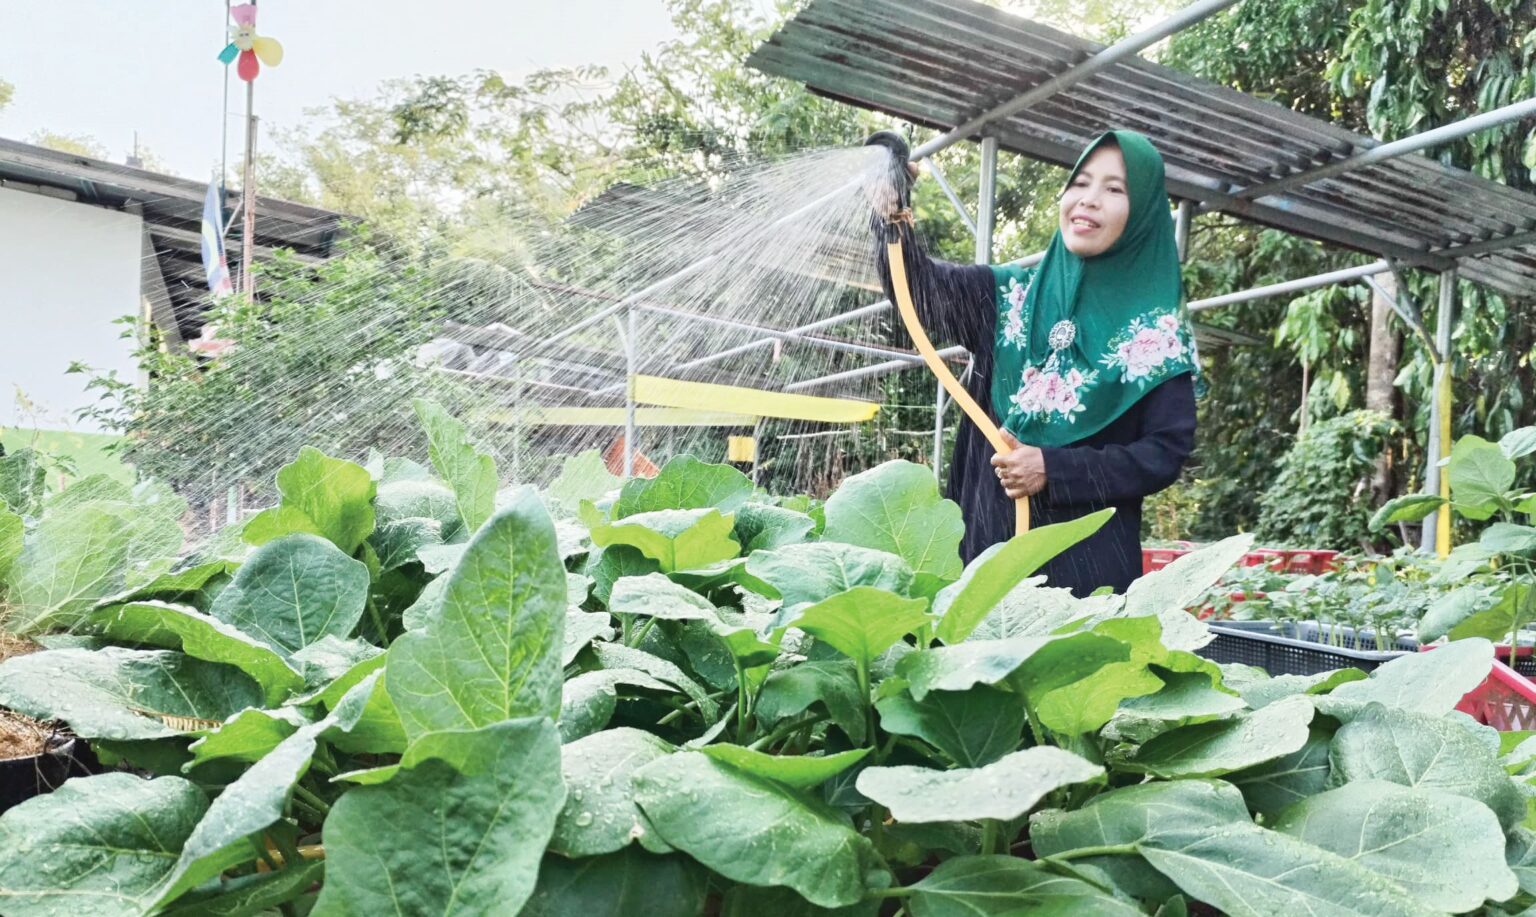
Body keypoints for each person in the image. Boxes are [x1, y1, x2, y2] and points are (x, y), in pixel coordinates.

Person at [871, 129, 1198, 597]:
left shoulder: (1158, 337)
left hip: (1085, 583)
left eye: (1114, 189)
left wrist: (1054, 468)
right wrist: (892, 214)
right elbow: (919, 291)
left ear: (1142, 212)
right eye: (1081, 183)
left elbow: (1163, 454)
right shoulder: (1009, 296)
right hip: (985, 564)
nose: (1089, 200)